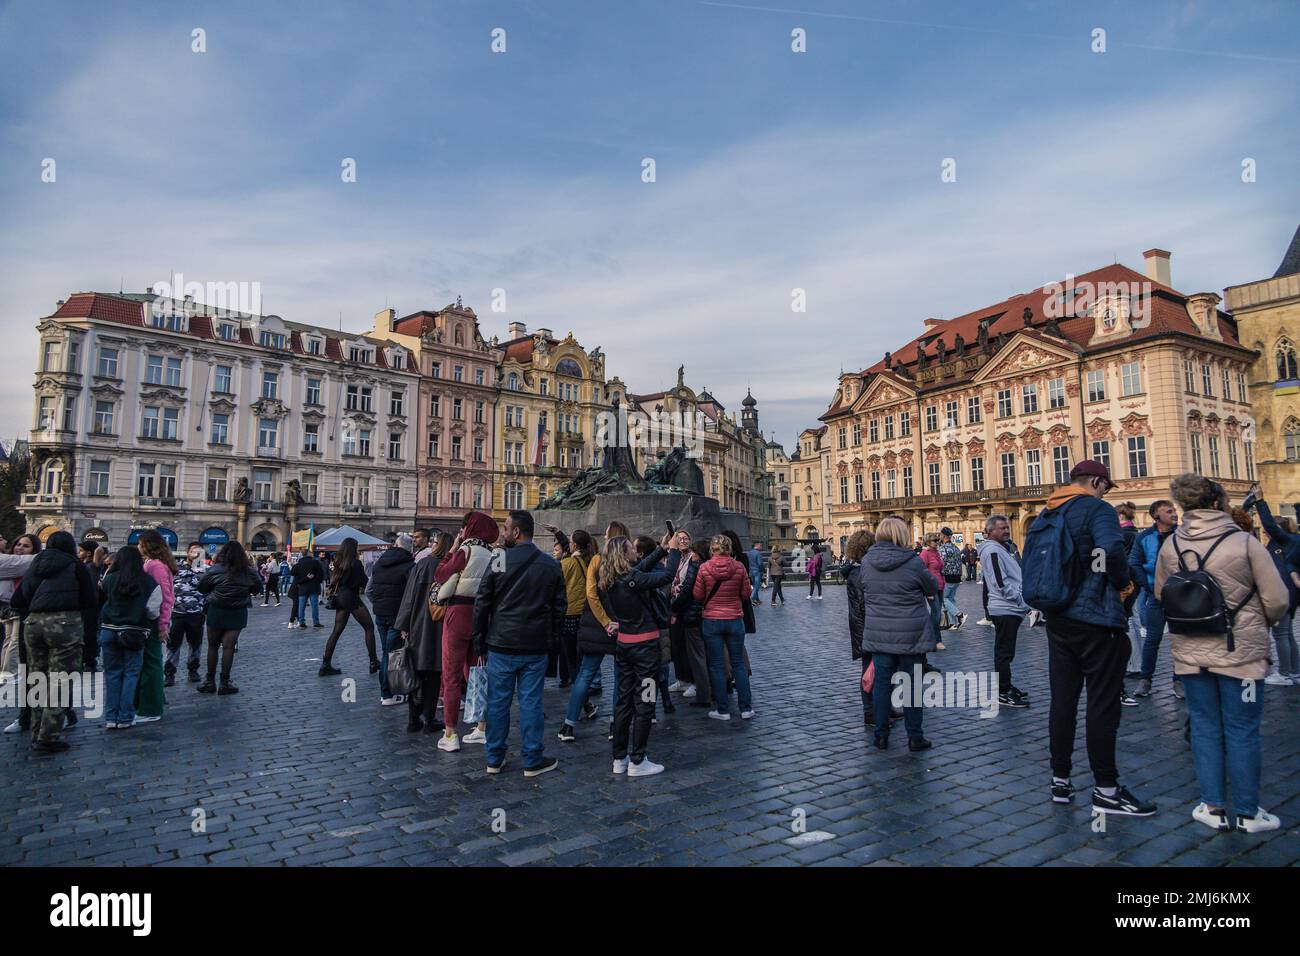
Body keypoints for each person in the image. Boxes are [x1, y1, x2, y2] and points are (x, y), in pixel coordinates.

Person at [1155, 475, 1290, 832]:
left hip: (1191, 655)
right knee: (1243, 729)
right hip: (1241, 656)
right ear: (1218, 503)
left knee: (1203, 726)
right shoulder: (1244, 542)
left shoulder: (1170, 546)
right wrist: (1256, 621)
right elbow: (1277, 599)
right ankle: (1247, 811)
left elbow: (1160, 594)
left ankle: (1212, 806)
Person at [1031, 460, 1154, 816]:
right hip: (1096, 617)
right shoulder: (1096, 509)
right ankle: (1106, 789)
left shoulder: (1049, 510)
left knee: (1063, 701)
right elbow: (1112, 552)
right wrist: (1123, 584)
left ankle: (1060, 780)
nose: (1106, 493)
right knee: (1102, 703)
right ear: (1097, 482)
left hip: (1058, 616)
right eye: (1106, 487)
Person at [472, 511, 565, 777]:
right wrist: (553, 640)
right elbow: (560, 607)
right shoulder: (549, 564)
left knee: (498, 703)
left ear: (516, 532)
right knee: (531, 702)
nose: (503, 532)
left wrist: (479, 640)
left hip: (501, 643)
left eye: (505, 527)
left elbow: (482, 603)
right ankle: (532, 758)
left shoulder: (500, 560)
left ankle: (494, 758)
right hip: (535, 645)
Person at [598, 530, 680, 777]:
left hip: (624, 647)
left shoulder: (613, 578)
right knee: (645, 701)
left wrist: (662, 549)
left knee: (623, 703)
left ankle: (619, 758)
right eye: (630, 548)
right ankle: (638, 760)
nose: (635, 549)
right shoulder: (632, 579)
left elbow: (642, 567)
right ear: (623, 555)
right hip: (645, 651)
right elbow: (667, 575)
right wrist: (674, 551)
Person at [9, 531, 96, 752]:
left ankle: (36, 729)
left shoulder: (37, 565)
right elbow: (90, 599)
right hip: (64, 623)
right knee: (61, 678)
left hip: (34, 623)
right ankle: (48, 736)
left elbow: (18, 598)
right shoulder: (76, 566)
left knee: (37, 676)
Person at [858, 517, 938, 751]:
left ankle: (880, 735)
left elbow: (864, 590)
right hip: (910, 635)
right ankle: (915, 737)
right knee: (912, 685)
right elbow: (931, 587)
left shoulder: (867, 562)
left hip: (880, 635)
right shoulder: (912, 562)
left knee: (882, 685)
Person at [431, 511, 500, 752]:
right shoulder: (495, 553)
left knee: (450, 675)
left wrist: (454, 548)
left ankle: (450, 733)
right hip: (483, 616)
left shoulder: (466, 550)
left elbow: (441, 574)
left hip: (458, 613)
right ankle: (482, 727)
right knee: (478, 672)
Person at [98, 547, 162, 730]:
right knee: (131, 674)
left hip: (109, 630)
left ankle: (111, 717)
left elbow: (102, 601)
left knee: (112, 674)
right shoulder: (148, 582)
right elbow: (152, 611)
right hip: (134, 632)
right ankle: (125, 716)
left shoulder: (108, 579)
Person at [693, 533, 753, 721]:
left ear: (712, 549)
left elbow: (698, 595)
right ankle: (746, 708)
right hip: (735, 619)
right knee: (738, 665)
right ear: (729, 549)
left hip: (711, 620)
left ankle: (723, 710)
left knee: (717, 665)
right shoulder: (739, 567)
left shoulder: (704, 568)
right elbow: (745, 594)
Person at [396, 531, 451, 733]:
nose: (432, 544)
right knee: (434, 673)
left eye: (435, 542)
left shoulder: (422, 564)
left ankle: (413, 718)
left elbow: (409, 597)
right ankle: (429, 717)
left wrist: (403, 624)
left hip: (418, 624)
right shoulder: (449, 567)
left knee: (415, 670)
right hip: (439, 625)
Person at [1247, 487, 1300, 684]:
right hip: (1291, 593)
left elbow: (1268, 525)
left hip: (1283, 593)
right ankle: (1295, 672)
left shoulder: (1285, 541)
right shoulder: (1291, 542)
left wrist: (1260, 501)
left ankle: (1285, 674)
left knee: (1280, 634)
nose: (1268, 535)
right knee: (1287, 634)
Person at [1129, 498, 1180, 698]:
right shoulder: (1144, 537)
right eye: (1169, 511)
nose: (1174, 513)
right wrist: (1149, 586)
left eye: (1174, 510)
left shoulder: (1182, 535)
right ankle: (1146, 680)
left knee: (1180, 641)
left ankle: (1179, 680)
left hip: (1180, 596)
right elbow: (1134, 563)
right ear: (1156, 515)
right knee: (1152, 639)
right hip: (1156, 596)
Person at [978, 515, 1031, 708]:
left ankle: (1006, 686)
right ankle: (1002, 690)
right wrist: (1018, 597)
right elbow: (999, 582)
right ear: (990, 531)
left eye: (1007, 528)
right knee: (1003, 652)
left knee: (1006, 651)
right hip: (1005, 607)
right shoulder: (992, 550)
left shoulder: (1002, 549)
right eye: (1002, 528)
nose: (1007, 531)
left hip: (1010, 607)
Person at [196, 541, 262, 694]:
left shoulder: (215, 569)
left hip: (216, 609)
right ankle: (225, 683)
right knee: (228, 647)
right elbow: (258, 589)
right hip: (237, 611)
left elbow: (201, 587)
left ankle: (209, 681)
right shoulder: (248, 571)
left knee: (213, 646)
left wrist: (214, 590)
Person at [844, 528, 890, 729]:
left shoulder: (857, 570)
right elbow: (864, 604)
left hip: (862, 626)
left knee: (878, 669)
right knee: (870, 671)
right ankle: (869, 711)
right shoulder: (860, 572)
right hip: (867, 627)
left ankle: (883, 709)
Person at [318, 537, 378, 677]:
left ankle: (325, 665)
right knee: (369, 627)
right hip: (351, 598)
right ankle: (373, 662)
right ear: (353, 548)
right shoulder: (355, 563)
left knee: (336, 631)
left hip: (340, 597)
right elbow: (364, 582)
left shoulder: (338, 562)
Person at [368, 534, 416, 706]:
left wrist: (379, 604)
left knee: (386, 652)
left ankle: (390, 692)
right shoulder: (410, 565)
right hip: (398, 616)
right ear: (410, 548)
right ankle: (387, 694)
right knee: (391, 654)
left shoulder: (379, 563)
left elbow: (369, 590)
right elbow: (412, 595)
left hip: (381, 615)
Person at [135, 530, 176, 723]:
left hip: (153, 620)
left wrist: (162, 625)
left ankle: (151, 708)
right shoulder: (156, 564)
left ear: (147, 546)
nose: (138, 546)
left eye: (140, 543)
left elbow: (165, 597)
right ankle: (148, 704)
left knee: (151, 663)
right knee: (148, 662)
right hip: (153, 620)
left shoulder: (155, 566)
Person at [1, 535, 39, 734]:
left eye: (26, 546)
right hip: (12, 612)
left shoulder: (33, 564)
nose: (19, 548)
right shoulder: (12, 563)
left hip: (29, 617)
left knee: (29, 663)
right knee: (10, 644)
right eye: (18, 544)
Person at [550, 526, 594, 691]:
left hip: (568, 613)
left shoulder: (566, 563)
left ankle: (581, 695)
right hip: (582, 613)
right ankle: (582, 688)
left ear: (574, 545)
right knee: (579, 657)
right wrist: (558, 533)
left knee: (570, 658)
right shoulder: (587, 560)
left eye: (569, 542)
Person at [165, 542, 207, 686]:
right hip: (177, 612)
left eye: (198, 551)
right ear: (187, 552)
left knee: (195, 644)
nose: (195, 553)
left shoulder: (205, 570)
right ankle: (170, 673)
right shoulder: (176, 568)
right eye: (193, 551)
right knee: (173, 644)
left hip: (196, 613)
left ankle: (193, 670)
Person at [1116, 502, 1144, 680]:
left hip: (1126, 581)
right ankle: (1138, 661)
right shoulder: (1136, 533)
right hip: (1136, 580)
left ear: (1120, 517)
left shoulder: (1121, 535)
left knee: (1128, 621)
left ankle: (1134, 664)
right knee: (1135, 620)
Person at [919, 533, 946, 648]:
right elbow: (921, 572)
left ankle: (928, 636)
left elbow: (940, 568)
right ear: (928, 542)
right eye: (934, 540)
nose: (937, 542)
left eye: (937, 540)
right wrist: (926, 590)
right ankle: (936, 640)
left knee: (936, 614)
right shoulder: (924, 554)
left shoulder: (936, 553)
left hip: (940, 586)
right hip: (931, 588)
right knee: (936, 614)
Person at [937, 527, 966, 629]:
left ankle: (959, 615)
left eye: (940, 534)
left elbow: (941, 563)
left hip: (947, 577)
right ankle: (953, 624)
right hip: (957, 577)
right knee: (951, 599)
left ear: (943, 536)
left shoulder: (943, 548)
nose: (939, 536)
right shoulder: (956, 548)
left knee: (944, 599)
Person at [291, 550, 325, 628]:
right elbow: (321, 574)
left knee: (301, 606)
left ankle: (302, 622)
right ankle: (316, 622)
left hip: (303, 587)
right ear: (309, 554)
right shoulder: (315, 563)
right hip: (314, 586)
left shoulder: (299, 564)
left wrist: (303, 579)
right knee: (314, 605)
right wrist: (316, 579)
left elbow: (293, 573)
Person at [745, 541, 764, 605]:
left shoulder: (749, 553)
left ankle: (757, 600)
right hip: (757, 571)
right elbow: (760, 563)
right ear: (757, 545)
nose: (761, 547)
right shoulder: (758, 553)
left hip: (751, 571)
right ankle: (752, 599)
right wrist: (762, 570)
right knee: (756, 587)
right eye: (760, 545)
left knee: (754, 586)